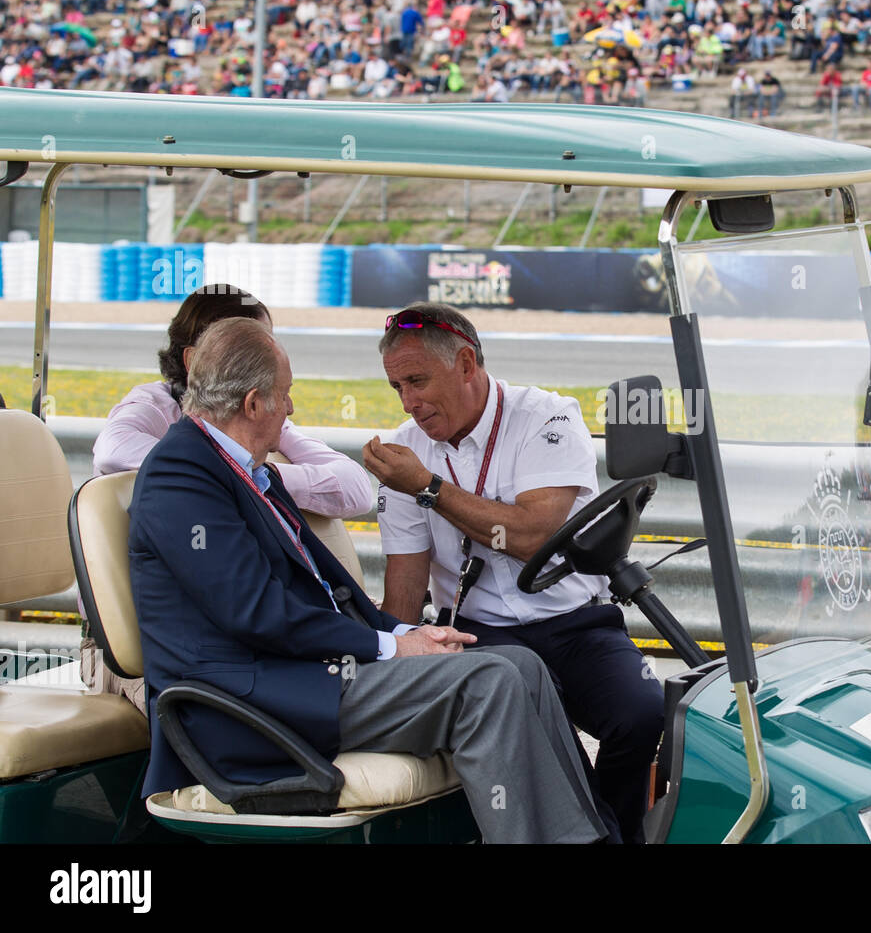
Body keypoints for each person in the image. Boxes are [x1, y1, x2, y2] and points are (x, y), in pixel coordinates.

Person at [129, 317, 607, 844]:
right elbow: (256, 614)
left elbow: (327, 597)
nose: (290, 409)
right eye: (285, 396)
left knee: (522, 665)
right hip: (251, 699)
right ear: (252, 404)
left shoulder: (246, 470)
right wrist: (391, 645)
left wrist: (405, 635)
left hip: (305, 673)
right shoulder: (181, 473)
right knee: (488, 683)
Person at [362, 303, 664, 844]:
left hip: (576, 623)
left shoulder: (547, 417)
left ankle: (617, 833)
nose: (409, 402)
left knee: (642, 716)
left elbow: (532, 538)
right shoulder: (403, 452)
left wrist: (430, 488)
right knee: (552, 752)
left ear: (466, 363)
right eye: (397, 387)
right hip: (482, 638)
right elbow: (405, 589)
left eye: (417, 380)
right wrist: (385, 664)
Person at [88, 284, 372, 712]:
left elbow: (355, 488)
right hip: (156, 648)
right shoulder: (154, 406)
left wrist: (267, 477)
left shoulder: (255, 416)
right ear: (194, 359)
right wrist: (233, 475)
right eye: (247, 344)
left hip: (240, 635)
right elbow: (112, 450)